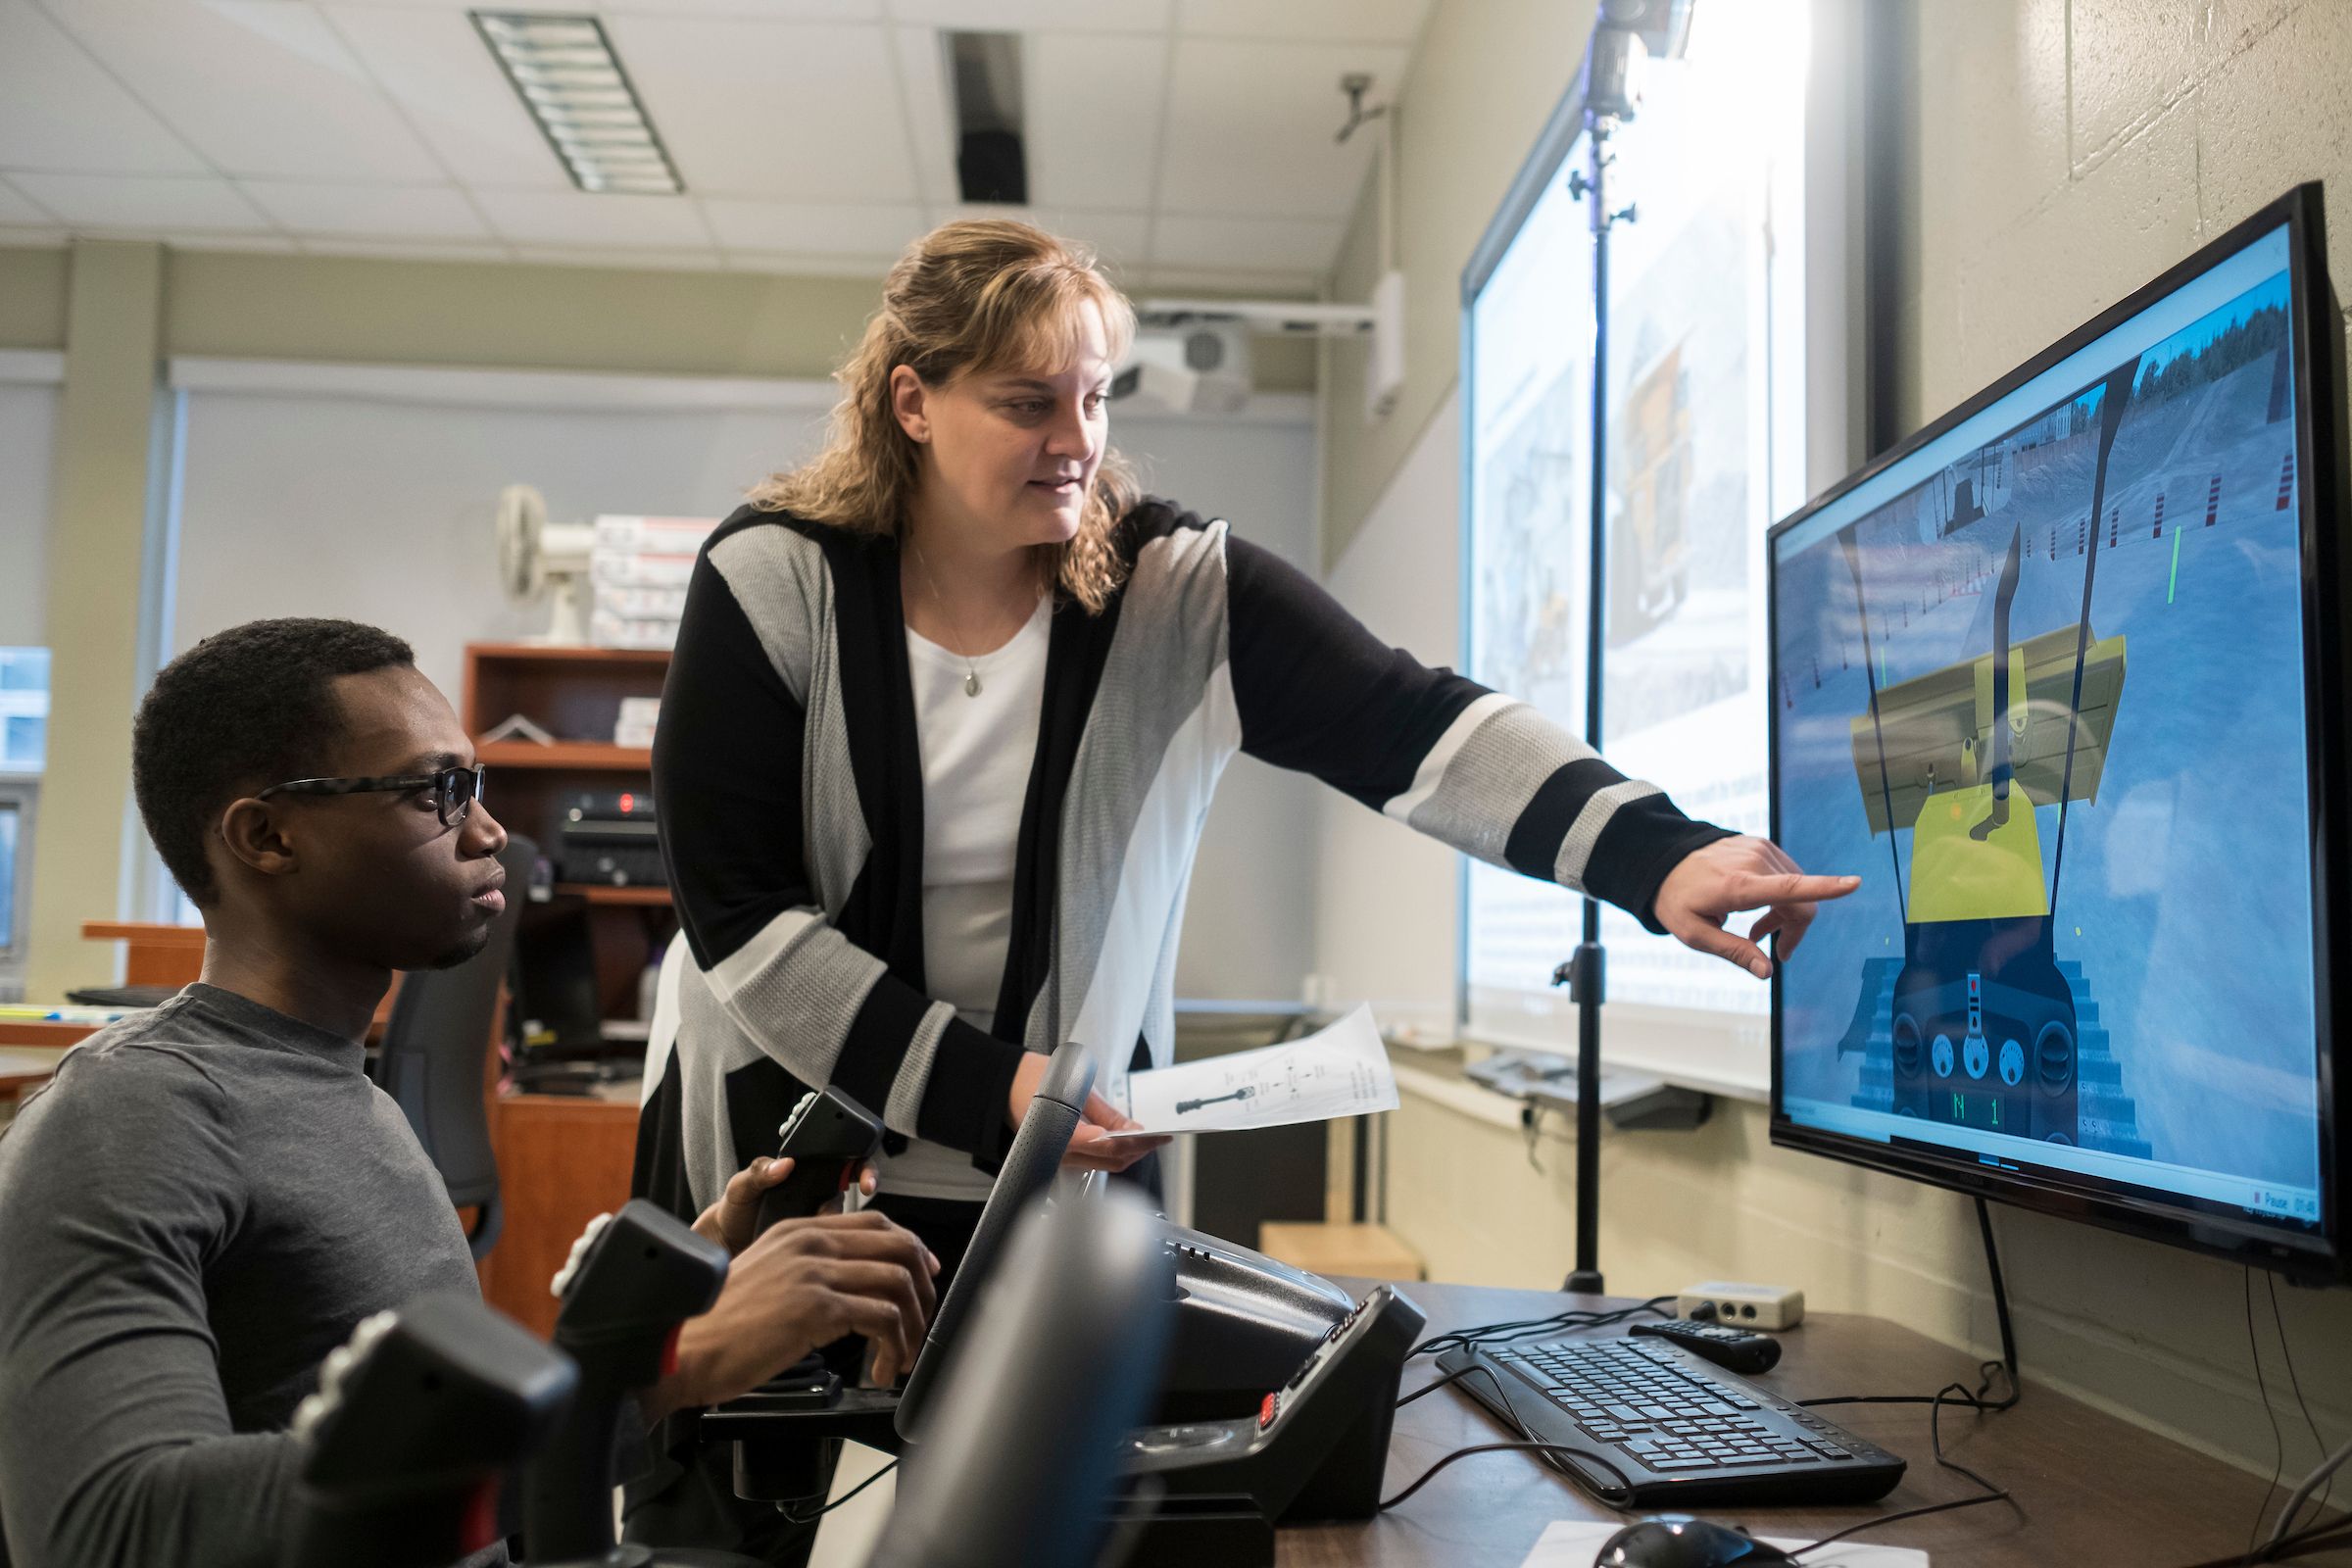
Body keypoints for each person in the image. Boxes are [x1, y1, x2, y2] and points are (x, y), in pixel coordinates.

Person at [636, 218, 1855, 1303]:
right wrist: (999, 1089)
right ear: (912, 402)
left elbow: (1412, 723)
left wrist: (1658, 855)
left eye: (1096, 397)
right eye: (1027, 403)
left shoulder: (1175, 592)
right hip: (787, 1153)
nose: (1076, 439)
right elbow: (744, 919)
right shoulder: (771, 580)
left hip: (1064, 1170)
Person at [0, 618, 938, 1568]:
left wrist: (639, 1329)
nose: (490, 831)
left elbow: (441, 1435)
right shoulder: (124, 1119)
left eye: (476, 784)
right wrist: (661, 1364)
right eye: (436, 792)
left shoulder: (345, 1089)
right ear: (267, 835)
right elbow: (108, 1529)